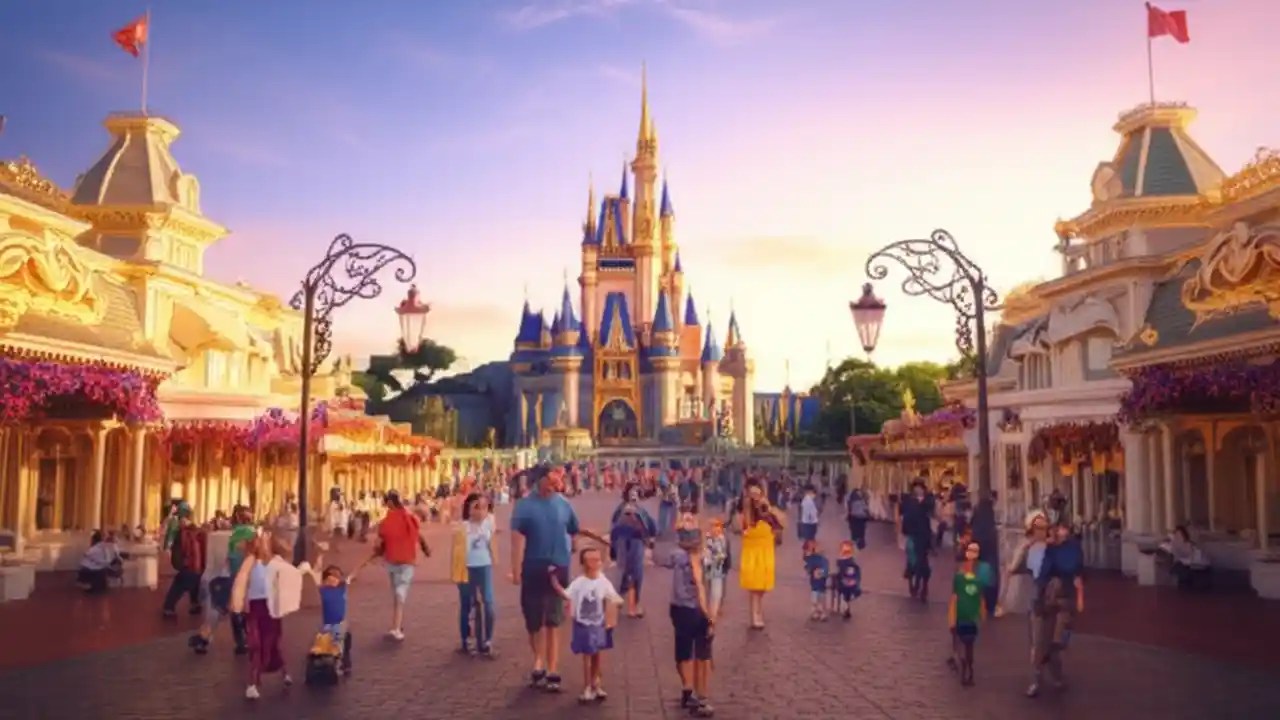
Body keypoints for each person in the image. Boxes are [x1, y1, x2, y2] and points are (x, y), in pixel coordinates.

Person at [510, 464, 607, 693]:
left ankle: (552, 668)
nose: (557, 480)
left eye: (558, 477)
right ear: (540, 480)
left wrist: (580, 545)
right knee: (534, 620)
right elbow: (516, 539)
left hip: (559, 568)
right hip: (533, 567)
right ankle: (538, 660)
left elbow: (574, 528)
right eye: (553, 476)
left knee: (554, 620)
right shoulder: (524, 506)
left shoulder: (564, 504)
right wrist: (515, 570)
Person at [230, 530, 304, 700]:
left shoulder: (277, 561)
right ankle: (253, 684)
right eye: (258, 541)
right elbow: (242, 581)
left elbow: (289, 556)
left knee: (274, 644)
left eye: (264, 541)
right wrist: (238, 602)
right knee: (256, 645)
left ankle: (284, 672)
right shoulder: (250, 561)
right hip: (255, 607)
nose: (261, 544)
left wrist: (271, 540)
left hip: (272, 606)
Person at [659, 518, 715, 717]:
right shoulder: (699, 556)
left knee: (690, 653)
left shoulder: (681, 555)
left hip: (687, 608)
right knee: (700, 654)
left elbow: (659, 556)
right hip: (692, 608)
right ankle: (696, 693)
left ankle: (693, 690)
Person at [556, 546, 623, 704]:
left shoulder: (602, 580)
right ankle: (587, 686)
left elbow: (613, 596)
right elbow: (567, 594)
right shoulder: (579, 582)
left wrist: (616, 604)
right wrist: (556, 585)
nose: (595, 563)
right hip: (583, 624)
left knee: (597, 655)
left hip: (598, 624)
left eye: (597, 560)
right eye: (591, 560)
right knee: (587, 656)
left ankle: (596, 683)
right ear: (583, 564)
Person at [1028, 522, 1085, 698]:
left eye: (1060, 529)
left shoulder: (1072, 549)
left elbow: (1071, 568)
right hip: (1047, 600)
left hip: (1064, 601)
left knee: (1056, 642)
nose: (1057, 532)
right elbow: (1041, 574)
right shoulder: (1049, 550)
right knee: (1040, 642)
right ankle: (1038, 680)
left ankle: (1057, 677)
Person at [190, 505, 254, 655]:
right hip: (238, 578)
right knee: (234, 612)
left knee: (221, 610)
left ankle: (206, 638)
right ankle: (239, 640)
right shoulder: (246, 534)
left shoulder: (226, 535)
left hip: (229, 576)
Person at [299, 541, 362, 678]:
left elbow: (354, 573)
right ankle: (332, 663)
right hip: (327, 625)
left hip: (339, 624)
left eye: (336, 577)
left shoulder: (342, 587)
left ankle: (342, 664)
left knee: (340, 643)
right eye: (330, 577)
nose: (334, 580)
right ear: (326, 579)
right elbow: (317, 570)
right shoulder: (322, 589)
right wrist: (320, 554)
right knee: (324, 644)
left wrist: (367, 560)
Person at [374, 489, 431, 640]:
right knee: (400, 593)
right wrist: (426, 549)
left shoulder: (387, 521)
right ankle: (396, 625)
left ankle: (396, 626)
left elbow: (380, 542)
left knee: (398, 593)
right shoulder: (408, 517)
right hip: (406, 560)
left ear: (390, 502)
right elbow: (418, 535)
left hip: (392, 559)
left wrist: (378, 552)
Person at [452, 492, 498, 655]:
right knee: (468, 604)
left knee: (489, 603)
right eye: (476, 507)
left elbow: (492, 525)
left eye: (484, 507)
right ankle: (467, 640)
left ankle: (487, 640)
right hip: (466, 568)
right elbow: (456, 552)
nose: (481, 511)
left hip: (484, 565)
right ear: (469, 509)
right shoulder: (461, 527)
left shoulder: (489, 523)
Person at [738, 478, 783, 630]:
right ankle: (756, 615)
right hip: (752, 548)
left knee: (763, 585)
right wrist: (748, 506)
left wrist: (769, 507)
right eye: (751, 490)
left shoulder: (767, 504)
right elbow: (740, 525)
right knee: (755, 584)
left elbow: (783, 522)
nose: (755, 493)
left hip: (766, 548)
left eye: (757, 489)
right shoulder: (745, 504)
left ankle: (757, 612)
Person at [609, 489, 656, 619]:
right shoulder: (640, 509)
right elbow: (652, 526)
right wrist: (651, 540)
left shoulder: (620, 509)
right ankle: (633, 607)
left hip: (620, 540)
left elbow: (613, 526)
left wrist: (613, 548)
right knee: (635, 573)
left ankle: (616, 599)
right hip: (635, 540)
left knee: (621, 570)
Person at [948, 541, 986, 687]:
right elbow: (979, 598)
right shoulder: (977, 578)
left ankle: (966, 670)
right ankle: (968, 671)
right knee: (968, 646)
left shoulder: (961, 577)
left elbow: (955, 597)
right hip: (968, 616)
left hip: (965, 616)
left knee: (965, 645)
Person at [162, 503, 205, 618]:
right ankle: (169, 607)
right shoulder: (187, 529)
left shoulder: (180, 527)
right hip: (192, 562)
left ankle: (194, 604)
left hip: (190, 562)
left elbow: (170, 542)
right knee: (182, 584)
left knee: (191, 582)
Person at [897, 479, 936, 602]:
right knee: (911, 559)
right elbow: (901, 512)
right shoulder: (908, 500)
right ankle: (912, 581)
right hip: (912, 534)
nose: (918, 489)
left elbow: (932, 510)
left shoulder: (928, 500)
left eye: (920, 487)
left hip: (923, 535)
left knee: (922, 561)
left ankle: (923, 586)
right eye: (916, 487)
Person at [702, 518, 731, 621]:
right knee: (707, 590)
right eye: (713, 526)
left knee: (716, 593)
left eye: (718, 526)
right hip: (707, 569)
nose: (715, 529)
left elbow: (725, 555)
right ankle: (707, 612)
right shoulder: (707, 539)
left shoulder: (723, 540)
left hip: (718, 570)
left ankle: (713, 615)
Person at [802, 539, 830, 621]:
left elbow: (825, 568)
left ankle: (821, 612)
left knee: (820, 596)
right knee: (815, 597)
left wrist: (821, 572)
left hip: (820, 583)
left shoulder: (821, 559)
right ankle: (816, 611)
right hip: (815, 583)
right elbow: (808, 564)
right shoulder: (812, 558)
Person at [832, 540, 862, 620]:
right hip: (844, 582)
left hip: (847, 583)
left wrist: (852, 581)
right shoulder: (844, 562)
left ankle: (845, 607)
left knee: (846, 594)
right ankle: (846, 607)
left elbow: (852, 574)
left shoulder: (850, 564)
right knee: (845, 595)